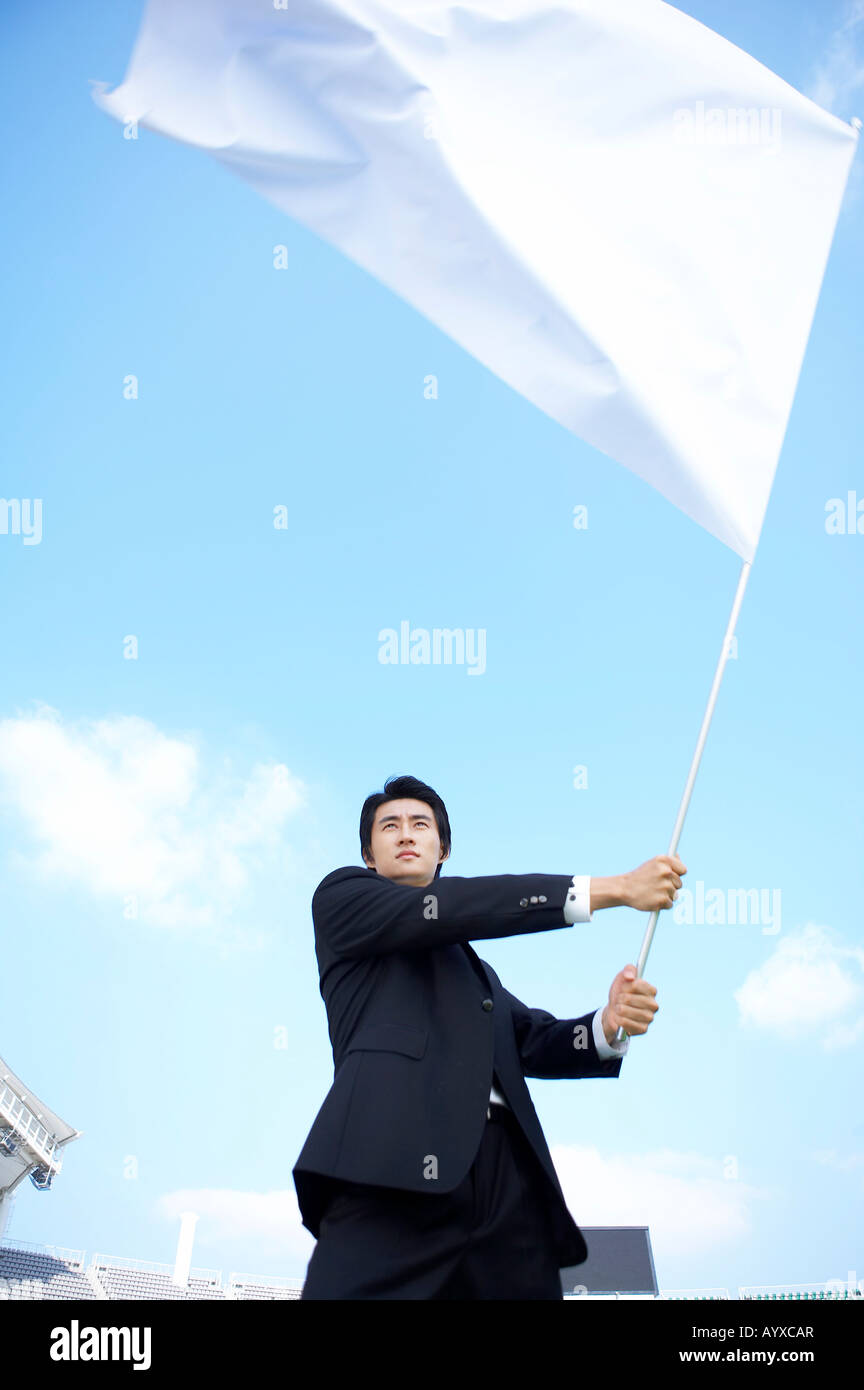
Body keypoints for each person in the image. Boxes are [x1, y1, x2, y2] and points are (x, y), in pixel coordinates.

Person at [293, 774, 684, 1300]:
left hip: (508, 1185)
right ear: (369, 856)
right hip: (392, 1158)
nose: (405, 833)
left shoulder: (480, 980)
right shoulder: (342, 900)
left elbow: (535, 1039)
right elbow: (453, 906)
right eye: (390, 826)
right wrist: (613, 889)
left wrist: (608, 1023)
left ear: (442, 849)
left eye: (420, 824)